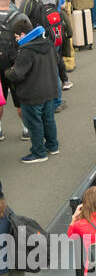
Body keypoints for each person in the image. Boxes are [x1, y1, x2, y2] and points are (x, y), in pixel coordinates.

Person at [3, 14, 60, 164]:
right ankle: (53, 146)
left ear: (22, 34)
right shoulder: (48, 43)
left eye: (16, 37)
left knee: (34, 123)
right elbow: (58, 61)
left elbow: (17, 74)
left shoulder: (26, 50)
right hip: (50, 90)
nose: (16, 40)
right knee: (48, 119)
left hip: (32, 93)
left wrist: (7, 72)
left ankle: (39, 152)